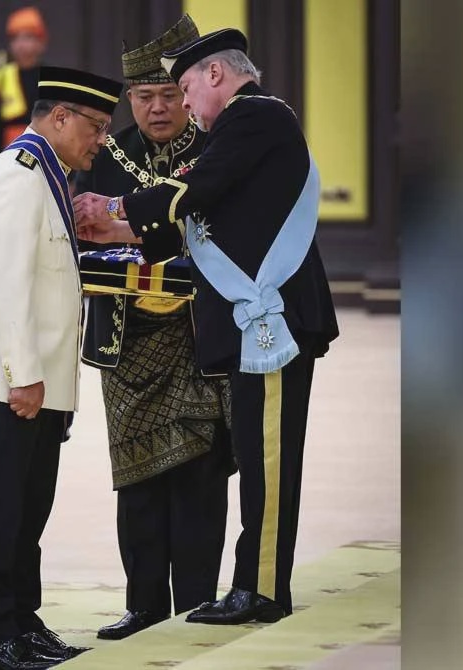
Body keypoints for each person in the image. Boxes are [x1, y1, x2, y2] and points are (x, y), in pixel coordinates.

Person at [74, 29, 339, 625]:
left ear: (215, 75)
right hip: (253, 323)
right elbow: (207, 215)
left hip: (270, 322)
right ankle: (251, 584)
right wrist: (123, 228)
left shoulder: (253, 117)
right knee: (256, 455)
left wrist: (116, 210)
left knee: (267, 461)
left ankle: (263, 589)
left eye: (186, 88)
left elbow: (197, 190)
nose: (184, 104)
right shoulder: (247, 124)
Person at [0, 65, 123, 670]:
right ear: (60, 117)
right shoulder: (17, 177)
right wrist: (23, 374)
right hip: (7, 379)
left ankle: (22, 621)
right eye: (95, 127)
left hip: (36, 382)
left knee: (29, 509)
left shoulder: (48, 174)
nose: (101, 140)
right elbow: (8, 285)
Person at [72, 15, 235, 641]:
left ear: (188, 93)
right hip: (130, 338)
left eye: (169, 94)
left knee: (198, 471)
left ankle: (198, 599)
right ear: (128, 101)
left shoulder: (219, 147)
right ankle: (143, 604)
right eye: (144, 98)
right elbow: (84, 235)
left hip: (198, 336)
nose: (159, 108)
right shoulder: (107, 158)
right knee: (136, 475)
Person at [0, 7, 49, 165]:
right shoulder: (1, 78)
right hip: (9, 152)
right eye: (15, 38)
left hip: (43, 150)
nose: (21, 44)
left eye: (27, 37)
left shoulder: (50, 77)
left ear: (41, 42)